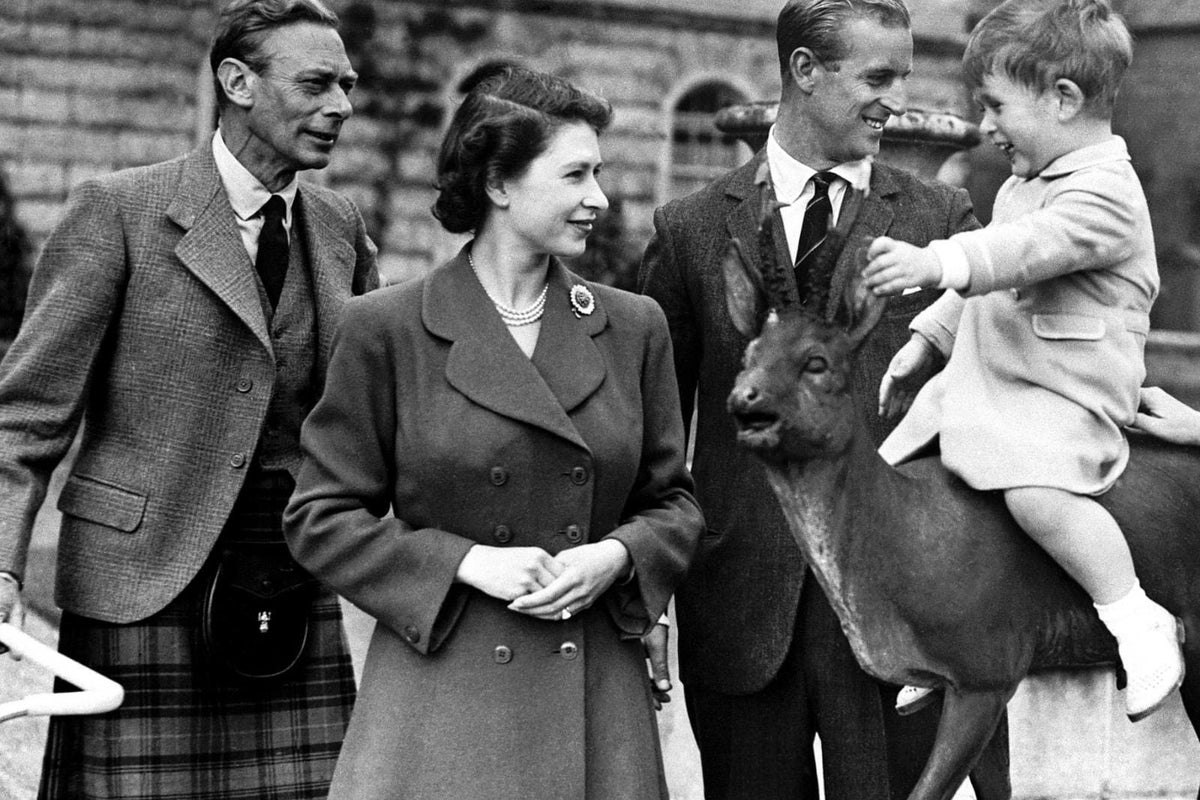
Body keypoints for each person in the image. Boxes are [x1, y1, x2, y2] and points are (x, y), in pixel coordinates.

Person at [282, 64, 703, 799]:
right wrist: (466, 563)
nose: (598, 199)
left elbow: (673, 504)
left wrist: (615, 556)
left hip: (595, 696)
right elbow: (321, 518)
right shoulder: (388, 328)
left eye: (597, 174)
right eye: (575, 175)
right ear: (500, 185)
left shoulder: (634, 328)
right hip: (443, 695)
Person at [0, 0, 378, 797]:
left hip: (287, 577)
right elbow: (27, 415)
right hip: (139, 582)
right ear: (237, 82)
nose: (340, 106)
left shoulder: (340, 226)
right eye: (315, 84)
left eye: (345, 85)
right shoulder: (119, 210)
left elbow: (369, 411)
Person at [639, 0, 1008, 797]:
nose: (895, 99)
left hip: (904, 622)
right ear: (804, 71)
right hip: (738, 610)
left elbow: (994, 390)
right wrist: (649, 600)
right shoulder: (692, 228)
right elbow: (651, 434)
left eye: (903, 77)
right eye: (877, 77)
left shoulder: (944, 221)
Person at [865, 0, 1183, 723]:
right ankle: (946, 636)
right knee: (903, 479)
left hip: (1066, 389)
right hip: (999, 377)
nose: (988, 125)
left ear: (1063, 100)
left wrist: (936, 259)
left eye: (996, 105)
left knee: (1036, 494)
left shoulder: (1107, 193)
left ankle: (1135, 618)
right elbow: (992, 283)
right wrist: (927, 340)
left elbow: (1021, 252)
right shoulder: (1023, 184)